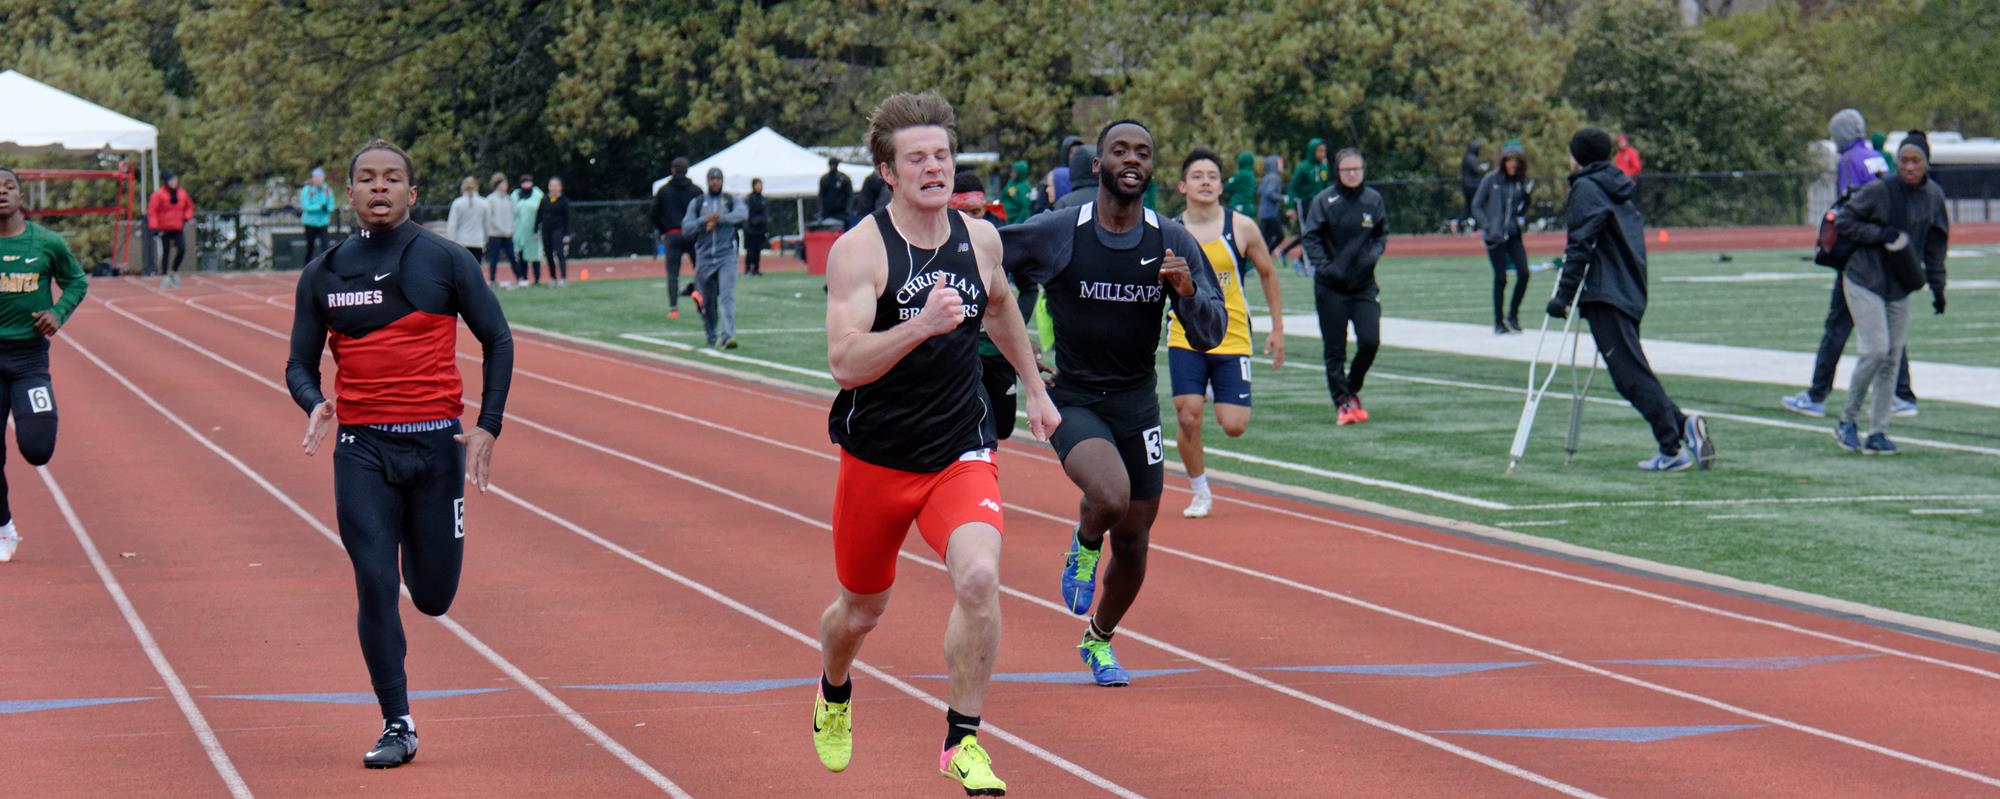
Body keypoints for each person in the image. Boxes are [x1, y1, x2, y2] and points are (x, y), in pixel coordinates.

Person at [815, 93, 1055, 797]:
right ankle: (834, 689)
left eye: (943, 155)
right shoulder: (861, 250)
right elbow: (845, 362)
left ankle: (962, 740)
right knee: (861, 610)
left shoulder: (979, 239)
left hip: (960, 446)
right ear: (888, 172)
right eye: (916, 158)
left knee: (979, 576)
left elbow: (1002, 306)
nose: (934, 167)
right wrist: (920, 324)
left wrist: (1035, 390)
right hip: (878, 458)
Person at [284, 140, 513, 769]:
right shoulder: (323, 273)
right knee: (376, 582)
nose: (378, 187)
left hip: (437, 446)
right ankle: (398, 722)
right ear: (349, 193)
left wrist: (488, 426)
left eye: (391, 179)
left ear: (411, 194)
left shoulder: (446, 260)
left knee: (433, 596)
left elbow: (497, 337)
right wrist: (314, 401)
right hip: (362, 449)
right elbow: (299, 363)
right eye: (366, 178)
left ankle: (424, 547)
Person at [1002, 119, 1226, 688]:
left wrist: (1188, 294)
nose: (1132, 159)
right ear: (1098, 163)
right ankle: (1083, 545)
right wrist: (1012, 338)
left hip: (1136, 404)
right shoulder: (1060, 230)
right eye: (1120, 150)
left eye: (1142, 153)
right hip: (1074, 397)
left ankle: (1099, 638)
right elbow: (985, 260)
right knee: (1108, 496)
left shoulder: (1172, 240)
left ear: (1152, 168)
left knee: (1133, 540)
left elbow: (1213, 333)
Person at [1546, 127, 1713, 472]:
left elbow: (1580, 244)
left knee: (1629, 376)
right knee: (1633, 369)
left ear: (1577, 156)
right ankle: (1682, 427)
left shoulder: (1587, 188)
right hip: (1628, 287)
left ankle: (1671, 445)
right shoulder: (1616, 185)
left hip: (1607, 292)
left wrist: (1563, 296)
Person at [1170, 148, 1285, 519]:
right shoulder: (1170, 230)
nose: (1205, 182)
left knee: (1234, 425)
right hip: (1185, 334)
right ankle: (1200, 491)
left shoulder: (1242, 227)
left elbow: (1268, 273)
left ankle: (1211, 387)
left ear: (1221, 186)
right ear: (1182, 186)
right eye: (1197, 176)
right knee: (1188, 417)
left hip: (1231, 334)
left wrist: (1277, 328)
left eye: (1212, 176)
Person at [1783, 109, 1917, 418]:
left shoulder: (1848, 160)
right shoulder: (1876, 157)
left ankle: (1817, 395)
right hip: (1885, 252)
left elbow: (1849, 207)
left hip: (1859, 257)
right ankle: (1902, 395)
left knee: (1837, 325)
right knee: (1890, 328)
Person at [1830, 131, 1949, 456]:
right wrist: (1879, 233)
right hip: (1864, 278)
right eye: (1904, 161)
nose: (1909, 167)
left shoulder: (1934, 196)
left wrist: (1938, 287)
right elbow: (1844, 220)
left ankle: (1878, 431)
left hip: (1899, 284)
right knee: (1876, 350)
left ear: (1926, 164)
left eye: (1916, 161)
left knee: (1892, 356)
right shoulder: (1880, 190)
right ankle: (1847, 420)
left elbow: (1936, 246)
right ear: (1896, 162)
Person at [0, 165, 89, 563]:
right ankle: (3, 527)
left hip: (28, 359)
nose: (2, 192)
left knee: (37, 449)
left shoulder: (47, 243)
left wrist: (58, 312)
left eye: (9, 186)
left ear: (21, 196)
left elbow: (77, 282)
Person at [1301, 148, 1389, 425]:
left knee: (1370, 341)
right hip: (1331, 287)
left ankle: (1351, 388)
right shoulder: (1325, 201)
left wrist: (1371, 257)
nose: (1352, 174)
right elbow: (1311, 237)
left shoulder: (1373, 200)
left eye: (1356, 169)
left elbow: (1381, 234)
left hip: (1363, 285)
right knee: (1335, 348)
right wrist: (1326, 268)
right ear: (1338, 172)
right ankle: (1342, 402)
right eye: (1346, 169)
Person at [1473, 140, 1535, 334]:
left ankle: (1513, 316)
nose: (1512, 164)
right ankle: (1498, 322)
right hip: (1496, 236)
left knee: (1524, 273)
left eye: (1516, 161)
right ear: (1503, 161)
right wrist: (1488, 226)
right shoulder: (1491, 179)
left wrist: (1527, 198)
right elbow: (1476, 205)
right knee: (1501, 278)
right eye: (1509, 160)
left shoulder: (1521, 182)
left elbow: (1523, 209)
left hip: (1514, 234)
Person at [682, 167, 747, 349]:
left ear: (722, 181)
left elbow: (742, 213)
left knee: (727, 295)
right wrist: (704, 220)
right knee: (707, 301)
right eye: (712, 179)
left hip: (726, 255)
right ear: (708, 181)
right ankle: (711, 334)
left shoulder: (730, 200)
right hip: (704, 257)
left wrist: (720, 219)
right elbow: (686, 227)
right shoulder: (698, 202)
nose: (715, 182)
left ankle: (728, 335)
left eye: (718, 179)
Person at [651, 157, 701, 318]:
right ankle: (700, 297)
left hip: (672, 234)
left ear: (673, 170)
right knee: (700, 269)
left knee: (673, 273)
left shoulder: (664, 191)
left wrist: (663, 230)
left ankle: (674, 308)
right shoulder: (696, 191)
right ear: (687, 170)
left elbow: (654, 214)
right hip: (692, 234)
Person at [1282, 138, 1329, 269]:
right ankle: (1309, 266)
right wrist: (1291, 207)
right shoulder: (1303, 167)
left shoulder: (1324, 167)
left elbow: (1326, 187)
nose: (1322, 154)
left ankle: (1303, 261)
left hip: (1320, 205)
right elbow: (1292, 187)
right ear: (1313, 151)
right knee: (1307, 233)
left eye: (1324, 151)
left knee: (1321, 233)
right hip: (1305, 204)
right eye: (1319, 151)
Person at [148, 171, 196, 288]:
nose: (174, 182)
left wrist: (187, 217)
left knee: (182, 248)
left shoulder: (182, 193)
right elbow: (152, 211)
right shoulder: (158, 195)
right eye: (171, 180)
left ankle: (173, 271)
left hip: (178, 226)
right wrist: (154, 227)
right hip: (164, 227)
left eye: (175, 180)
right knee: (166, 252)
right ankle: (164, 275)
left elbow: (189, 207)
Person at [537, 177, 572, 287]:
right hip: (546, 230)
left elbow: (567, 219)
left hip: (558, 230)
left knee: (560, 253)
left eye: (556, 185)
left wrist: (567, 234)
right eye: (551, 185)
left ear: (560, 187)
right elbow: (539, 215)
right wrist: (535, 230)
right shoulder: (544, 199)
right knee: (548, 254)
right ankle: (553, 277)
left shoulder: (563, 201)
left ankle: (563, 278)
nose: (553, 188)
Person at [482, 173, 516, 287]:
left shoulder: (508, 198)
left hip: (508, 234)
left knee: (512, 256)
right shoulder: (490, 199)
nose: (505, 186)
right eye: (503, 184)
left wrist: (511, 228)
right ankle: (492, 279)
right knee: (494, 258)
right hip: (495, 234)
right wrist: (498, 228)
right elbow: (489, 217)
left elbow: (512, 215)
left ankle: (519, 277)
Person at [511, 174, 544, 286]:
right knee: (521, 255)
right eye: (524, 182)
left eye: (529, 182)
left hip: (533, 230)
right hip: (519, 230)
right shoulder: (515, 195)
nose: (527, 184)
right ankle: (524, 278)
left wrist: (537, 229)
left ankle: (537, 279)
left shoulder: (538, 194)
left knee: (535, 256)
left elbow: (540, 212)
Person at [301, 167, 338, 263]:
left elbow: (331, 205)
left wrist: (327, 208)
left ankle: (325, 265)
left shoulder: (328, 190)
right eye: (315, 177)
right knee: (310, 246)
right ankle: (307, 265)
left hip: (323, 222)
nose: (317, 180)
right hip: (310, 223)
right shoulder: (307, 190)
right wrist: (319, 207)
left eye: (319, 177)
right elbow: (306, 206)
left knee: (326, 246)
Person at [444, 176, 486, 260]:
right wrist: (485, 240)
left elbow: (452, 225)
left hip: (462, 242)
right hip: (478, 242)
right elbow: (486, 225)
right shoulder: (484, 203)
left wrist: (451, 241)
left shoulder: (457, 203)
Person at [743, 178, 768, 276]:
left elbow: (765, 214)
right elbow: (747, 214)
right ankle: (748, 269)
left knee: (758, 250)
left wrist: (764, 225)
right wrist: (749, 226)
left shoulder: (763, 199)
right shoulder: (749, 199)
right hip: (751, 230)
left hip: (760, 230)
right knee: (750, 250)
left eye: (760, 185)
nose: (759, 187)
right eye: (757, 185)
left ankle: (756, 269)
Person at [818, 157, 854, 226]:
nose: (832, 166)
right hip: (827, 212)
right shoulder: (824, 179)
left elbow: (850, 195)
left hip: (841, 212)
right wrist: (821, 210)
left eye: (834, 164)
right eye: (831, 164)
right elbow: (820, 196)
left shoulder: (844, 178)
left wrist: (848, 209)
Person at [1458, 140, 1484, 233]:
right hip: (1472, 186)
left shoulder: (1467, 157)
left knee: (1468, 207)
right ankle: (1476, 226)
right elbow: (1475, 170)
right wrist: (1481, 168)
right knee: (1475, 206)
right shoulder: (1471, 158)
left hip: (1467, 185)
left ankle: (1460, 224)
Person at [1223, 151, 1258, 219]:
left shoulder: (1241, 175)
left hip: (1239, 205)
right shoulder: (1251, 174)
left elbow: (1227, 186)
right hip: (1249, 206)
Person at [1000, 160, 1035, 225]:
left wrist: (1017, 223)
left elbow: (1025, 207)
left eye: (1014, 171)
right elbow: (1006, 196)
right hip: (1006, 218)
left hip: (1017, 221)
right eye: (1011, 171)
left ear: (1020, 173)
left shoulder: (1024, 187)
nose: (1012, 173)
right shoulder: (1011, 183)